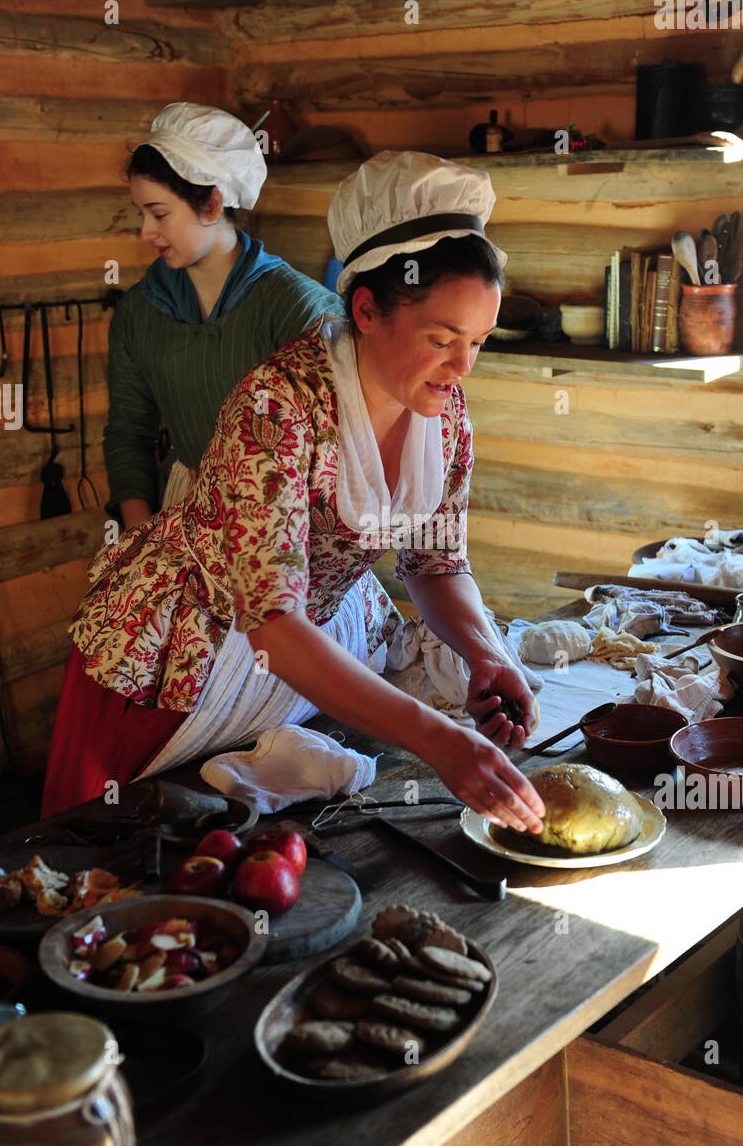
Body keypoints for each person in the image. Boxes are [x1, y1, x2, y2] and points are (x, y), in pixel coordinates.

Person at [42, 150, 545, 835]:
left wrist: (488, 654)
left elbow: (435, 563)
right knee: (121, 852)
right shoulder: (278, 406)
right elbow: (273, 624)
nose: (461, 367)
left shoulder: (443, 413)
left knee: (250, 836)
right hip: (179, 653)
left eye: (479, 342)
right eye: (441, 339)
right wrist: (436, 738)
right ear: (365, 309)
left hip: (289, 655)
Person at [105, 102, 342, 524]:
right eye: (141, 214)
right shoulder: (140, 312)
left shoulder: (297, 308)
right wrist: (141, 541)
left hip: (284, 521)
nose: (146, 232)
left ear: (212, 205)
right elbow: (129, 433)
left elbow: (338, 447)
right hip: (183, 508)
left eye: (159, 214)